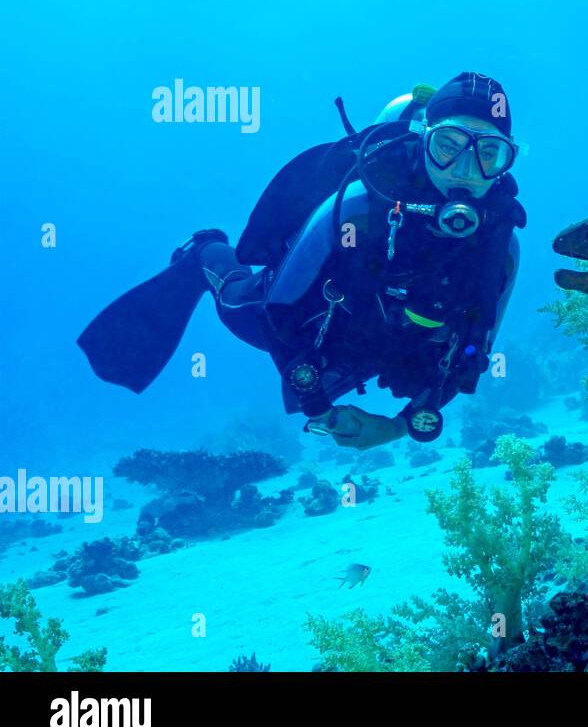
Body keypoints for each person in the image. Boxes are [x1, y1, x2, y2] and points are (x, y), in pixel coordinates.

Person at [78, 72, 525, 449]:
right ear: (424, 138)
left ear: (507, 161)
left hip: (387, 345)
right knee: (236, 305)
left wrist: (396, 427)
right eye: (450, 146)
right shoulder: (357, 207)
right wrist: (321, 410)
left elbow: (470, 356)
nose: (466, 171)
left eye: (489, 153)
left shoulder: (502, 248)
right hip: (310, 319)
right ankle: (205, 250)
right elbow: (279, 317)